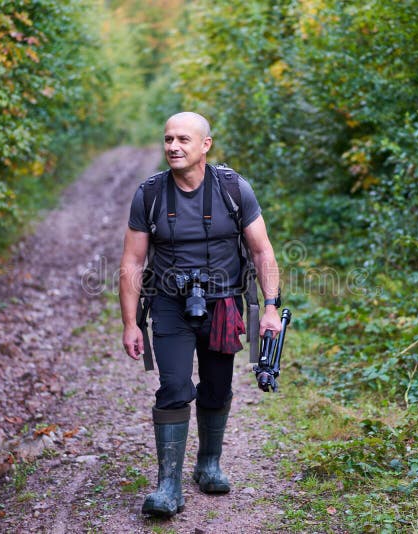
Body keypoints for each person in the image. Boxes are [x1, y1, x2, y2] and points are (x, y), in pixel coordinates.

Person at [119, 111, 281, 517]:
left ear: (205, 145)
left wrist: (271, 307)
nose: (173, 146)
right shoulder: (150, 194)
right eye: (168, 139)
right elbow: (132, 262)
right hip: (170, 305)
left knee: (215, 389)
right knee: (173, 387)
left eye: (183, 140)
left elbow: (262, 251)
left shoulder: (233, 189)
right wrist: (129, 322)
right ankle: (168, 487)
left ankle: (208, 464)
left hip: (223, 304)